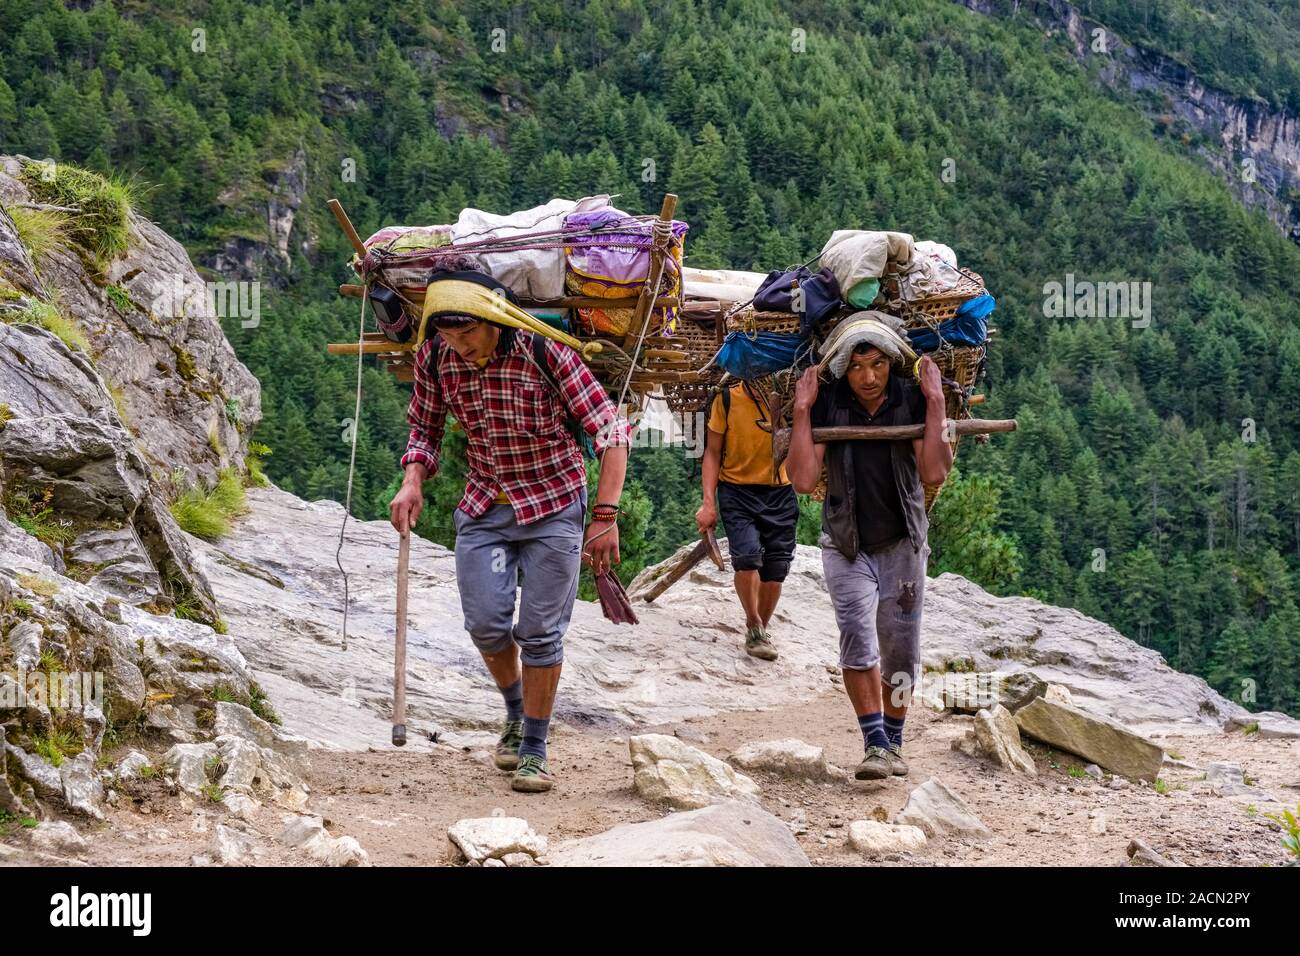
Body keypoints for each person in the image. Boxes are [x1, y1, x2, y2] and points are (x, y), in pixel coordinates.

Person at [389, 265, 630, 794]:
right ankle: (516, 710)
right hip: (485, 508)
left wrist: (605, 516)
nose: (459, 345)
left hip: (554, 507)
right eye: (448, 335)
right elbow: (424, 429)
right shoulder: (435, 358)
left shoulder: (546, 353)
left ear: (493, 319)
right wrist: (413, 481)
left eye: (468, 333)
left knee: (541, 633)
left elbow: (612, 431)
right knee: (486, 624)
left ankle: (535, 748)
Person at [787, 342, 952, 780]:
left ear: (890, 364)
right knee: (857, 637)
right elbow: (803, 479)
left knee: (901, 652)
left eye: (877, 364)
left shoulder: (910, 398)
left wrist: (935, 400)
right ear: (845, 369)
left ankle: (894, 740)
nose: (868, 377)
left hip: (903, 542)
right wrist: (803, 410)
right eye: (857, 366)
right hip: (846, 542)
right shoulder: (832, 402)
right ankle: (875, 743)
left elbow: (935, 471)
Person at [695, 379, 798, 661]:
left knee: (777, 568)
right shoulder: (727, 399)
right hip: (737, 490)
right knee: (748, 557)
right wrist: (708, 503)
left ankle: (760, 629)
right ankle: (753, 623)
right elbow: (713, 452)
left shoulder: (791, 399)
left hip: (781, 492)